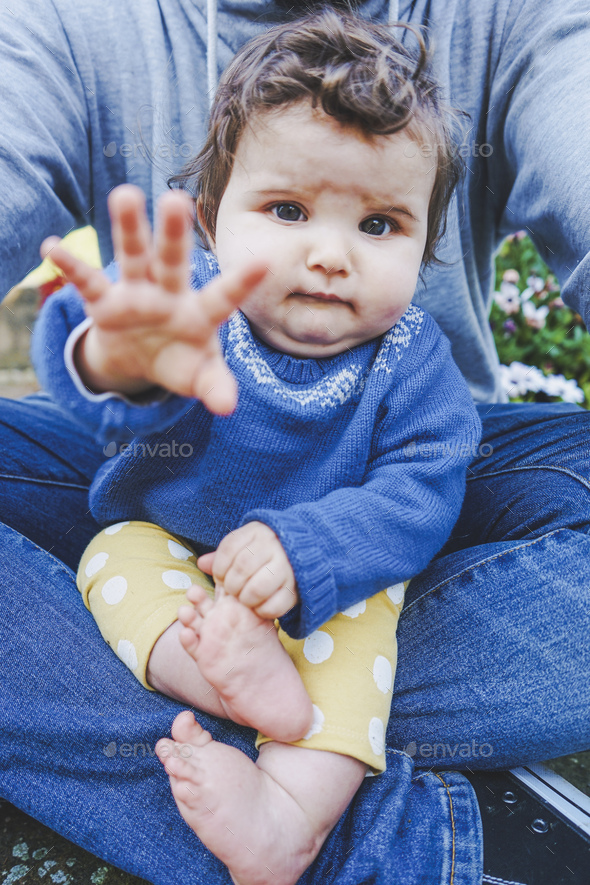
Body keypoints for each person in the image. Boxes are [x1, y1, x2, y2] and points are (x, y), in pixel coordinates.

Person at [0, 1, 589, 884]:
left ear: (425, 241)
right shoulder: (191, 298)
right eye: (286, 209)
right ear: (207, 219)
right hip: (170, 547)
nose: (329, 254)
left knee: (361, 623)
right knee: (114, 557)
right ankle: (276, 744)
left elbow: (420, 490)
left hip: (338, 578)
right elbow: (108, 354)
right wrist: (117, 360)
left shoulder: (409, 358)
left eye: (380, 225)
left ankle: (269, 776)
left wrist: (314, 551)